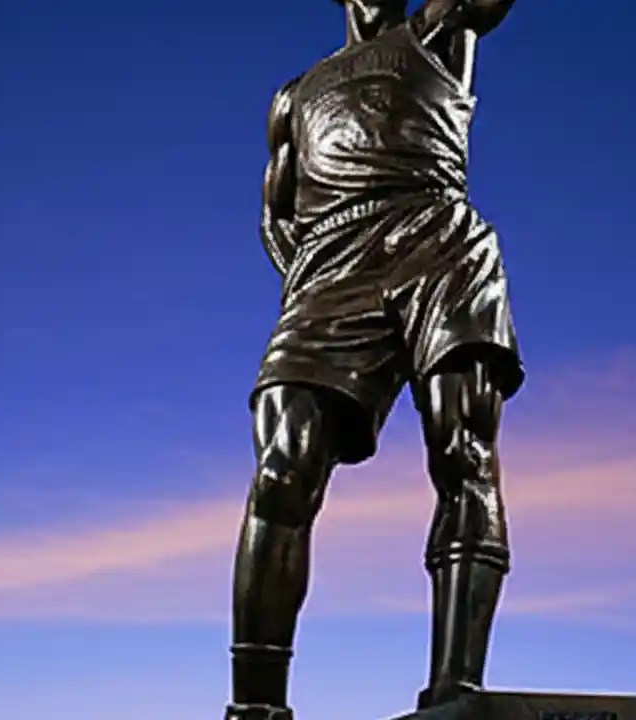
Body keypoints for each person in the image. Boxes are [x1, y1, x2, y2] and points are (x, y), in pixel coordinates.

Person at [228, 2, 522, 718]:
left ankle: (456, 692)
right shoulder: (296, 93)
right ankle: (256, 708)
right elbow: (276, 216)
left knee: (463, 455)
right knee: (281, 472)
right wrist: (316, 276)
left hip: (439, 241)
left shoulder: (438, 31)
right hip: (329, 265)